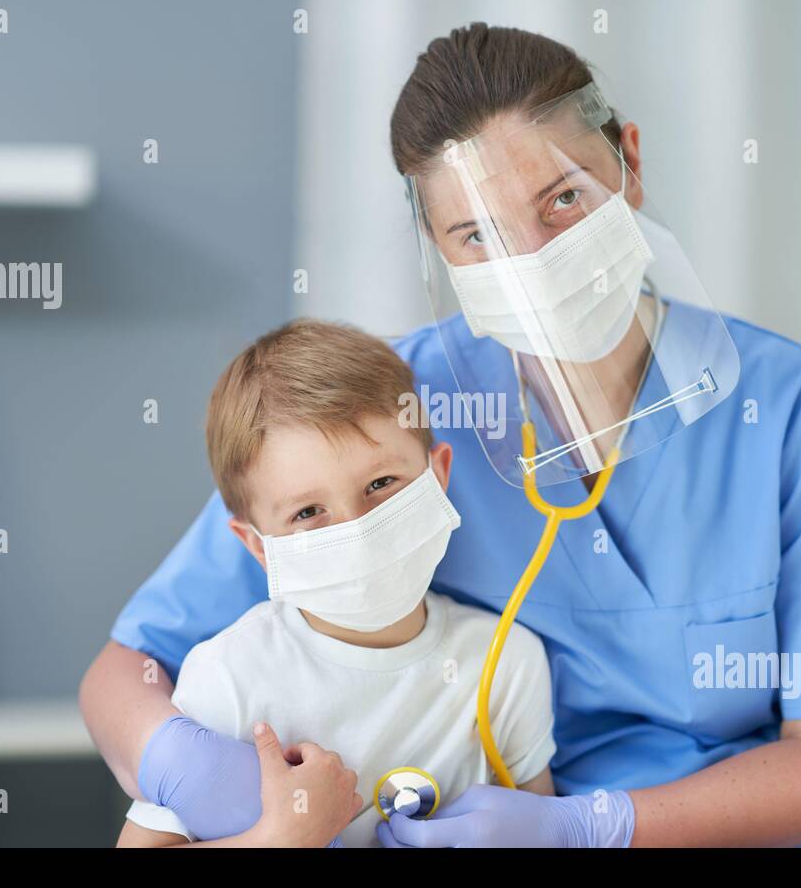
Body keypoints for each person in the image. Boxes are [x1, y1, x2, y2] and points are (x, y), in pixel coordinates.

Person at [81, 23, 801, 848]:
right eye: (476, 234)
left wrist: (592, 830)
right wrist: (211, 784)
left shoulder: (784, 403)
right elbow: (128, 673)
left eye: (563, 199)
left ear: (629, 162)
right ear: (436, 246)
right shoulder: (388, 414)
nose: (532, 260)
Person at [114, 319, 557, 848]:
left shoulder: (506, 663)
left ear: (438, 475)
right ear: (257, 545)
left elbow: (541, 827)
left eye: (380, 483)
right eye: (308, 511)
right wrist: (278, 839)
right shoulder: (230, 678)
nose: (357, 527)